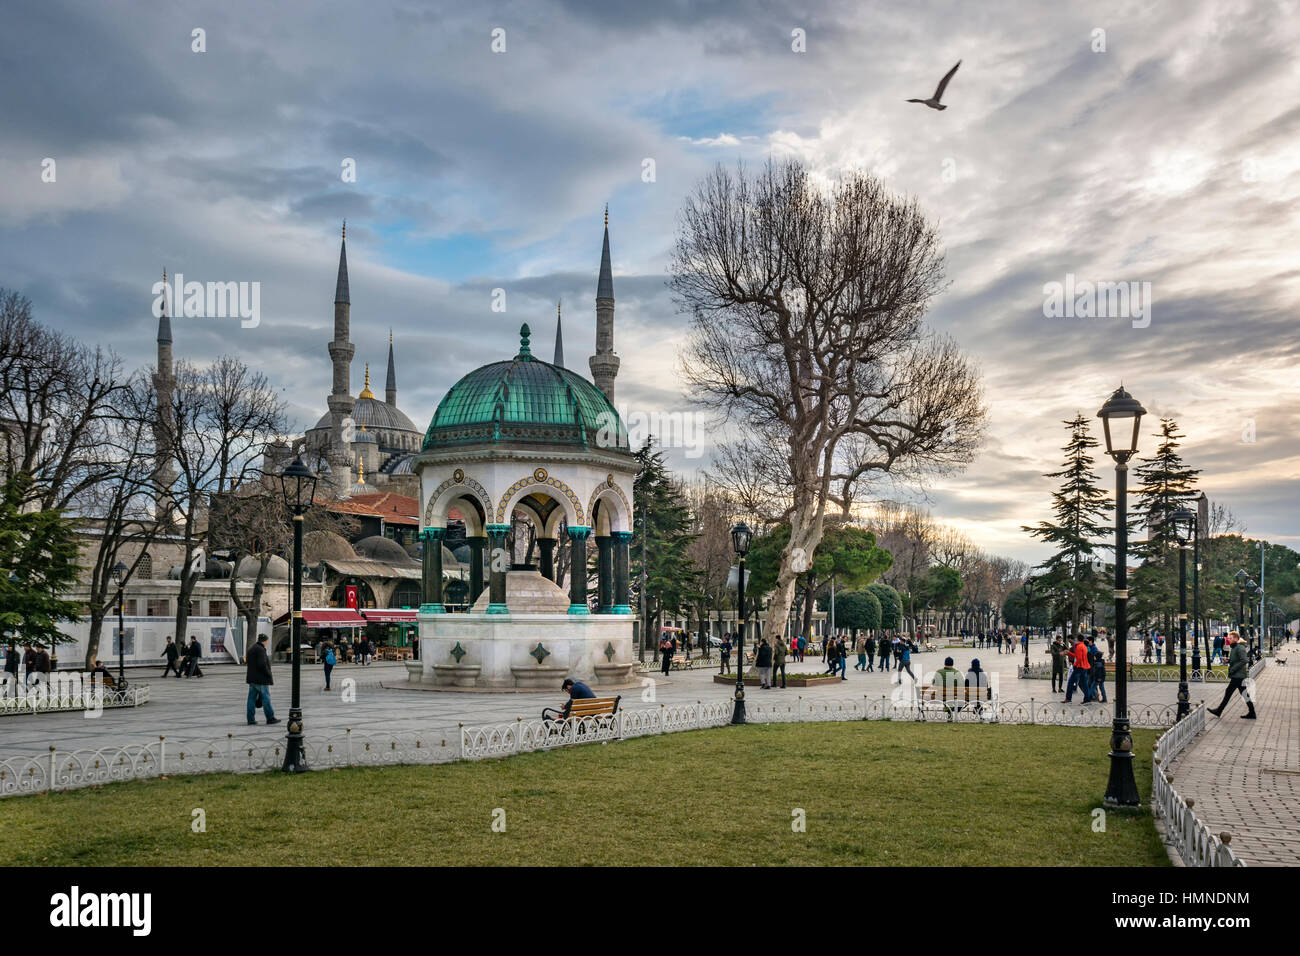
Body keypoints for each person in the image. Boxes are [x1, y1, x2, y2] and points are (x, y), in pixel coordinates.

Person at [1208, 632, 1257, 719]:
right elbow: (1237, 659)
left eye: (1230, 638)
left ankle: (1219, 710)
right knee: (1244, 694)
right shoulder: (1235, 648)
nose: (1229, 640)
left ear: (1235, 639)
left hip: (1238, 676)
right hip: (1238, 676)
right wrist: (1229, 660)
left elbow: (1244, 660)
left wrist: (1233, 669)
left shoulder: (1240, 647)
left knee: (1229, 693)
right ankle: (1252, 712)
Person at [245, 634, 278, 725]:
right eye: (267, 641)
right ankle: (270, 717)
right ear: (264, 641)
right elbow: (262, 664)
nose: (267, 642)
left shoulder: (252, 649)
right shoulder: (260, 650)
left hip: (252, 678)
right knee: (266, 698)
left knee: (251, 699)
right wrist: (268, 674)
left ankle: (250, 719)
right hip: (261, 679)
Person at [1063, 635, 1091, 702]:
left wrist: (1075, 665)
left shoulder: (1079, 646)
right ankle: (1087, 698)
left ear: (1077, 639)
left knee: (1070, 682)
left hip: (1079, 667)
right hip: (1084, 667)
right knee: (1084, 684)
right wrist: (1069, 653)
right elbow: (1078, 656)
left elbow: (1078, 658)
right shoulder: (1084, 646)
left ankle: (1068, 698)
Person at [1088, 637, 1107, 703]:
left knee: (1092, 687)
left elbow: (1098, 671)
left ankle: (1092, 697)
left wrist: (1098, 678)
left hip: (1098, 678)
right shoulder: (1101, 662)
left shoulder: (1097, 664)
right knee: (1102, 688)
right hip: (1102, 677)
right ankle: (1104, 698)